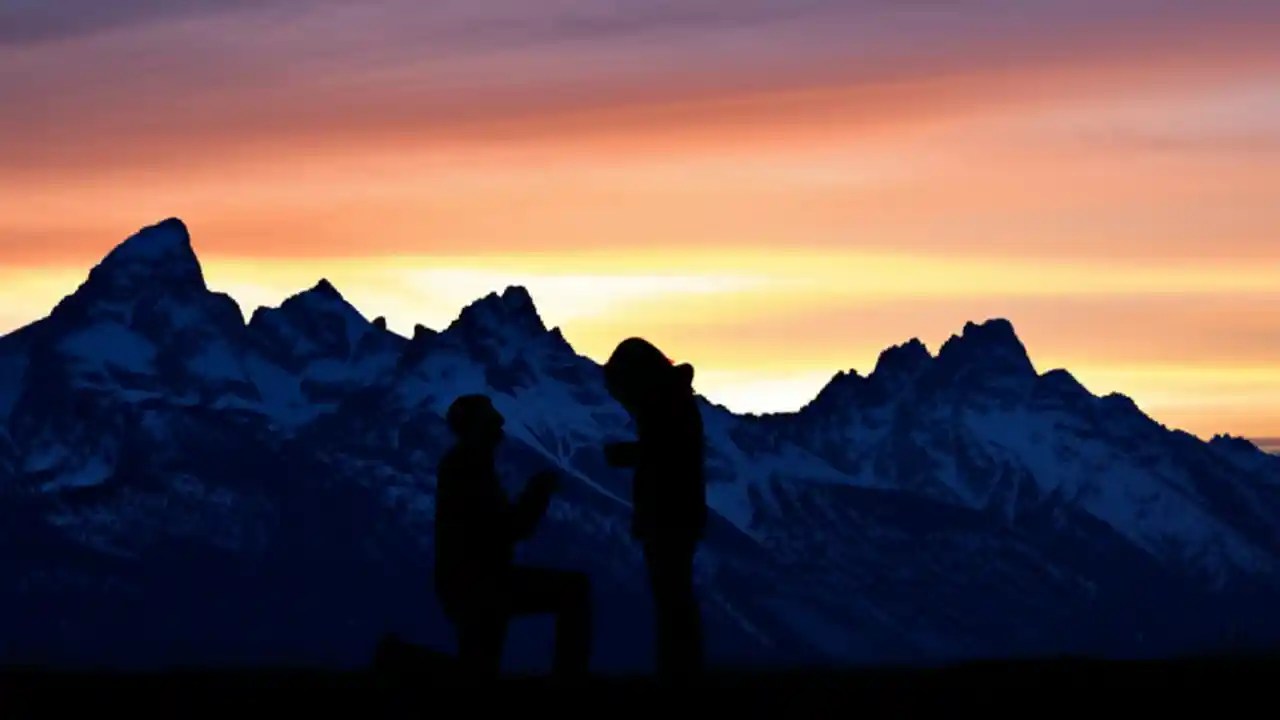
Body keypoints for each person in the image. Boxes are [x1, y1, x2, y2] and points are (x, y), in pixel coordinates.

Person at [433, 394, 591, 681]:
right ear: (477, 425)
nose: (500, 421)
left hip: (470, 581)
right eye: (491, 416)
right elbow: (509, 528)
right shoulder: (468, 466)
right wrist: (537, 492)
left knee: (477, 671)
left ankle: (398, 660)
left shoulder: (468, 463)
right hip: (480, 583)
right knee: (574, 590)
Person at [603, 338, 707, 682]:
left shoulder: (664, 406)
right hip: (679, 512)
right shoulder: (674, 401)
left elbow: (668, 456)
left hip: (669, 514)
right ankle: (680, 670)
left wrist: (630, 455)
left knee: (671, 596)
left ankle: (678, 673)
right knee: (674, 595)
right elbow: (673, 452)